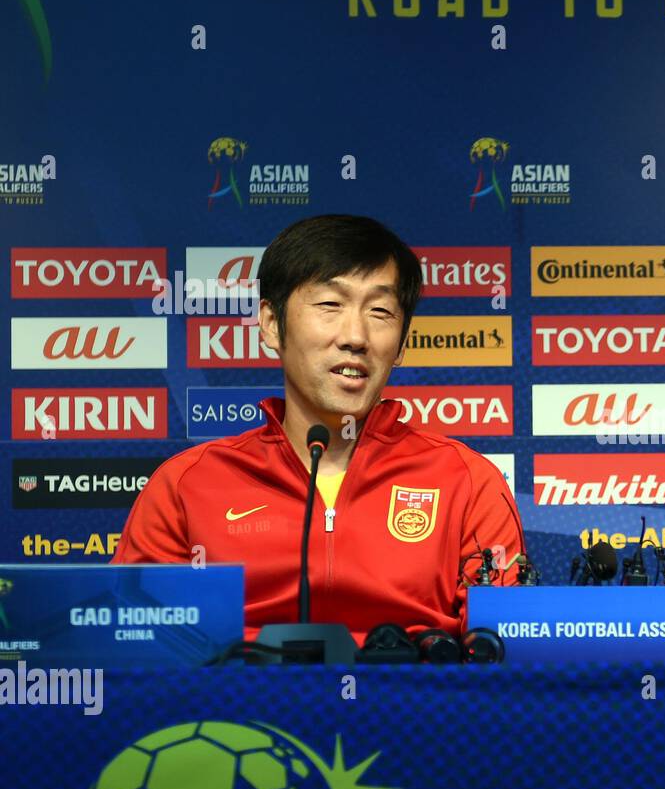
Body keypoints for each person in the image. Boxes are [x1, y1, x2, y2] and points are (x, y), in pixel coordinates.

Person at [113, 214, 525, 644]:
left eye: (380, 311)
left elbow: (505, 653)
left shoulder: (468, 483)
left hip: (411, 706)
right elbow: (134, 645)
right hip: (238, 708)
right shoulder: (186, 485)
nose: (355, 336)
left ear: (402, 344)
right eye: (330, 305)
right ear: (272, 324)